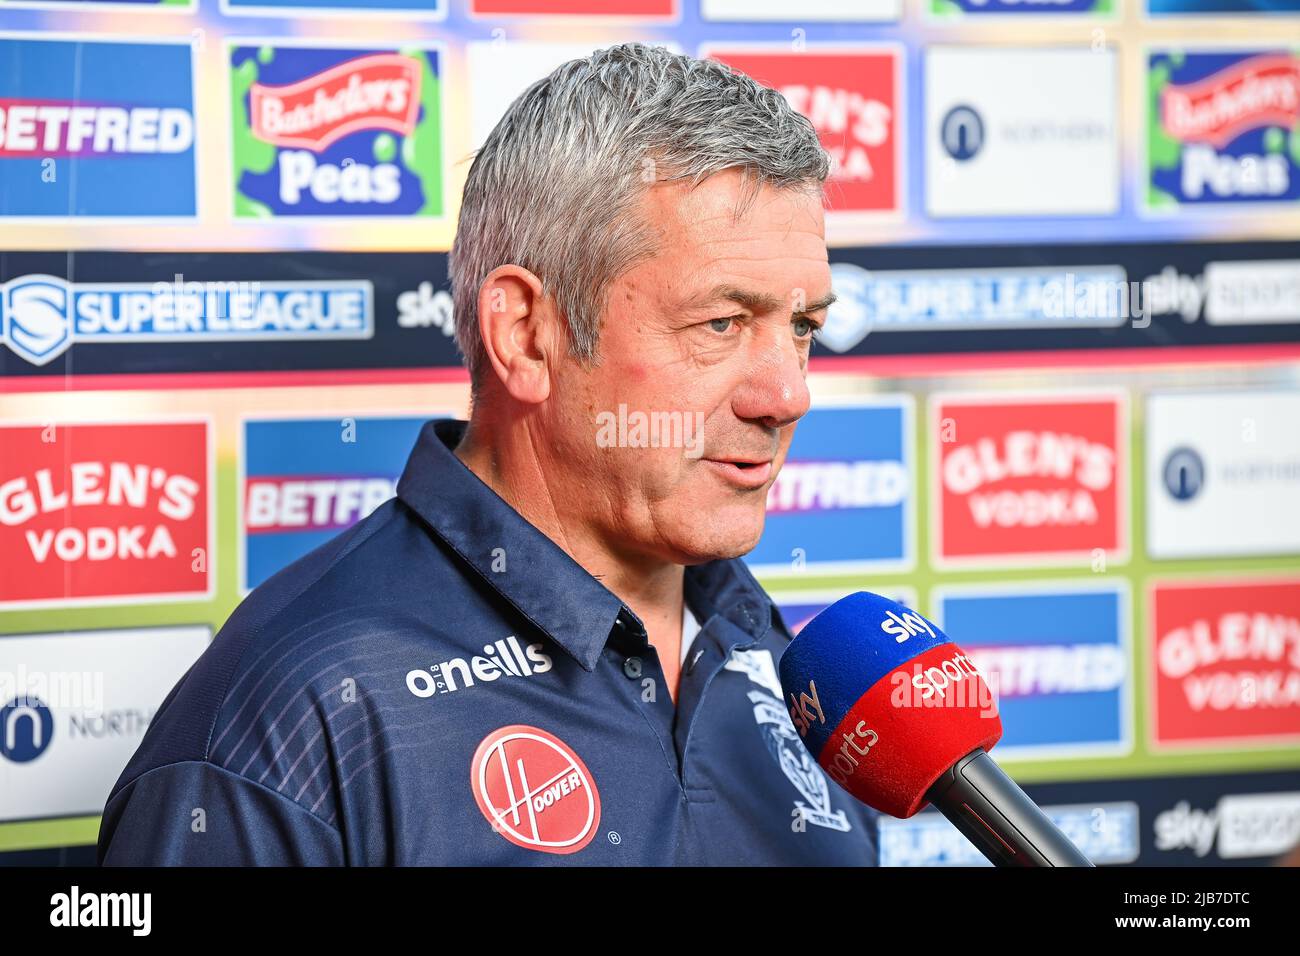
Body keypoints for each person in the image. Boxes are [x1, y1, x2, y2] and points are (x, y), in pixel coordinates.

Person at [98, 41, 881, 865]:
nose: (789, 394)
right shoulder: (296, 718)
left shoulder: (792, 666)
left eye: (801, 327)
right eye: (721, 324)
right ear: (525, 335)